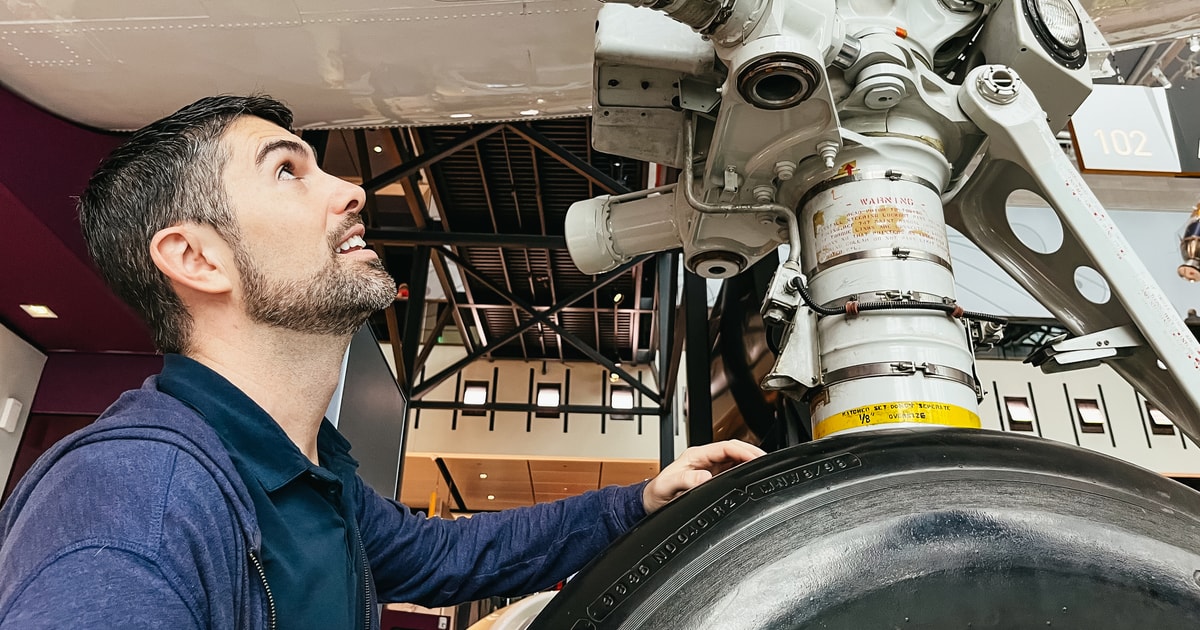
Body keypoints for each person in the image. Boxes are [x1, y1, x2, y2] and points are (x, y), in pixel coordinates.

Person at [0, 95, 764, 629]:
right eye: (287, 171)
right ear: (195, 257)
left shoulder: (308, 472)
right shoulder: (134, 500)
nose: (353, 190)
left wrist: (638, 503)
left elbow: (447, 554)